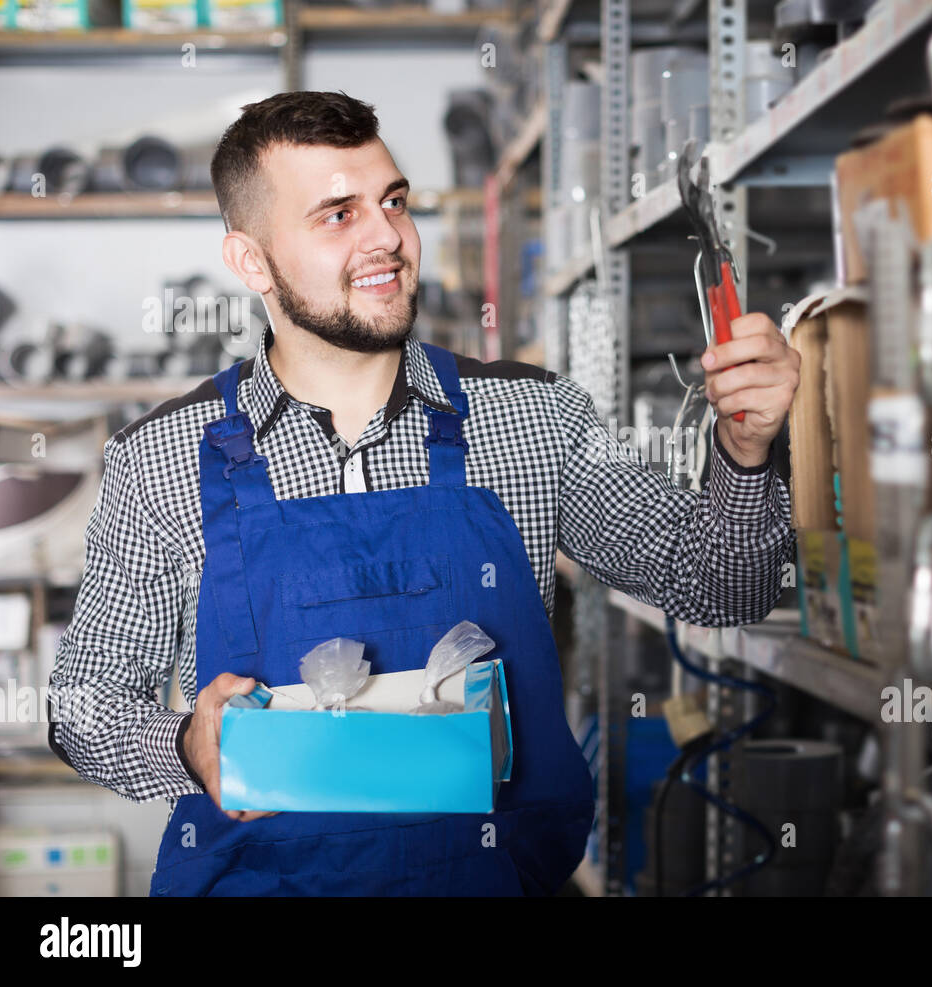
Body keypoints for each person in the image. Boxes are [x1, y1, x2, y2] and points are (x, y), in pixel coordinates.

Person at [48, 90, 800, 896]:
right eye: (338, 215)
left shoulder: (534, 420)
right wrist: (186, 747)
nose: (388, 237)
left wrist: (745, 452)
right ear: (252, 262)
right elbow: (82, 702)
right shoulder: (162, 456)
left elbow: (727, 585)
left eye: (394, 201)